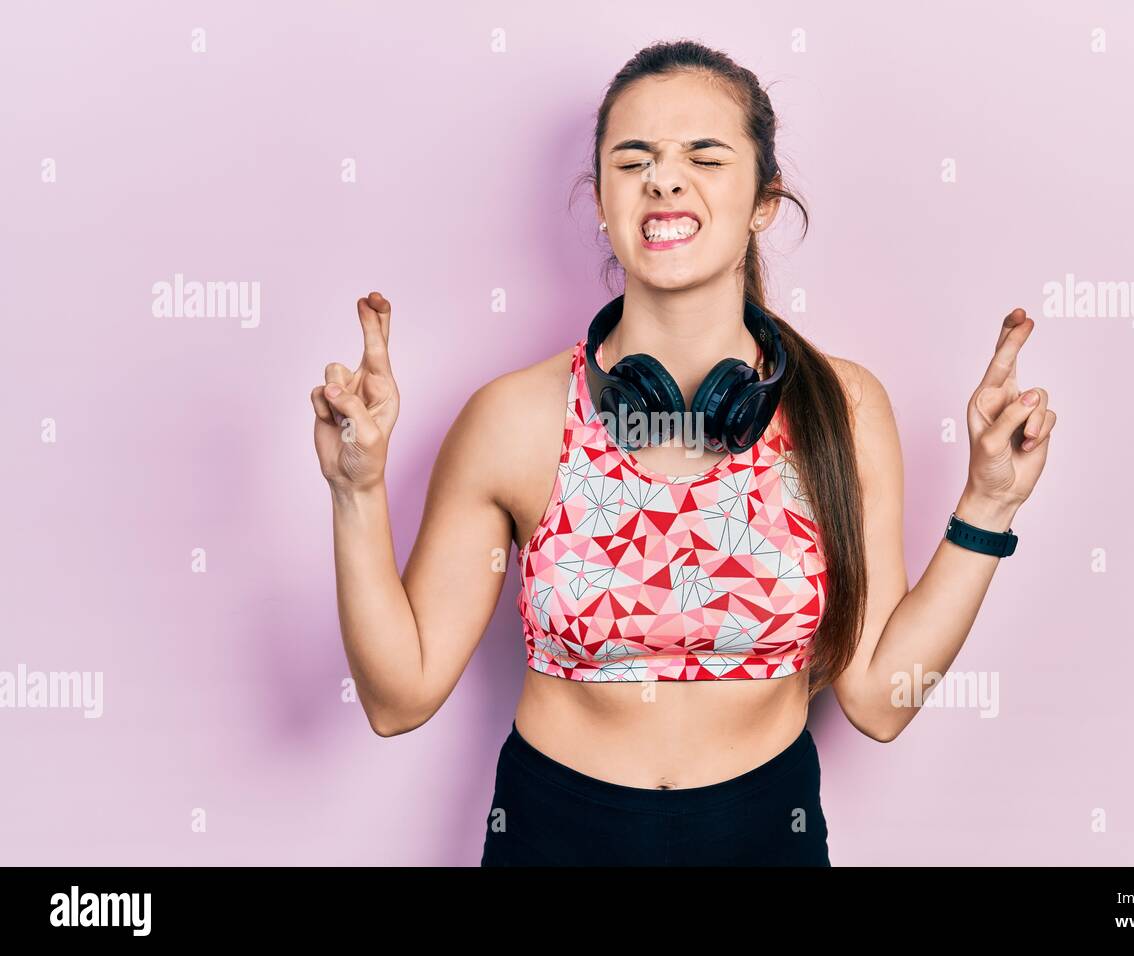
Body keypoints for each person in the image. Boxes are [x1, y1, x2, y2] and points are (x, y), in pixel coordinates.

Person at [308, 40, 1057, 867]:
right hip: (552, 834)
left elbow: (881, 701)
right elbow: (397, 698)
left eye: (705, 156)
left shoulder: (843, 409)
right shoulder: (513, 419)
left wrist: (989, 504)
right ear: (601, 200)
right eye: (634, 161)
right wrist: (358, 489)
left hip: (769, 833)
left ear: (765, 201)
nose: (664, 180)